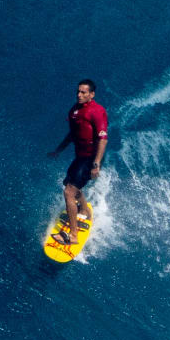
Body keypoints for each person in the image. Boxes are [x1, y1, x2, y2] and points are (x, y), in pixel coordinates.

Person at [52, 78, 108, 231]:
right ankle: (84, 210)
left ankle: (73, 235)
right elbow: (73, 134)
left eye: (83, 92)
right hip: (81, 156)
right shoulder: (75, 111)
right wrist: (59, 150)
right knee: (68, 184)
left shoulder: (97, 111)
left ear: (92, 94)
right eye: (78, 91)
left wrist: (96, 164)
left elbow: (103, 140)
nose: (79, 94)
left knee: (69, 191)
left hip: (92, 157)